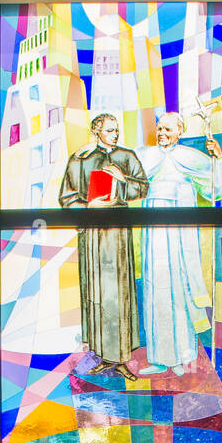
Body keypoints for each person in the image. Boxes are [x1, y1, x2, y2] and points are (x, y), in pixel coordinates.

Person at [137, 112, 222, 375]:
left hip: (180, 233)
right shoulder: (145, 156)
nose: (162, 133)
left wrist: (217, 159)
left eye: (168, 129)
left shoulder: (190, 157)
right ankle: (158, 357)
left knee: (179, 288)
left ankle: (182, 357)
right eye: (159, 128)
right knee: (155, 289)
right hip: (152, 231)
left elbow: (215, 189)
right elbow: (129, 182)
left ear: (180, 131)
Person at [59, 113, 149, 381]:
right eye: (110, 130)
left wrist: (122, 180)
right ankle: (101, 354)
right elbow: (66, 197)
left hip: (118, 236)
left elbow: (143, 188)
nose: (115, 134)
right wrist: (88, 207)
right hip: (93, 235)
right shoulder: (80, 159)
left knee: (119, 295)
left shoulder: (127, 156)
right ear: (96, 131)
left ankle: (121, 358)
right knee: (97, 294)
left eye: (117, 129)